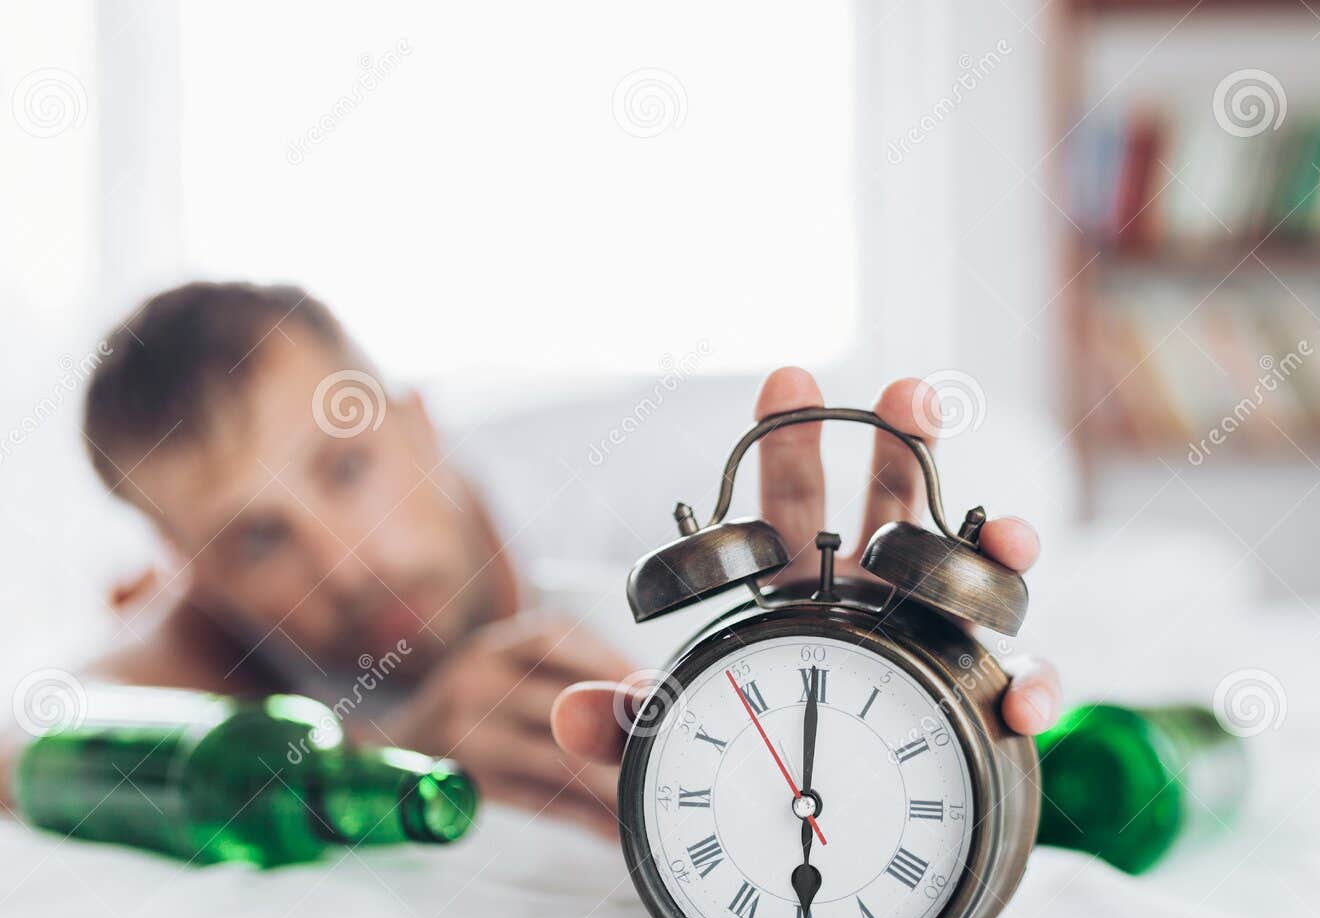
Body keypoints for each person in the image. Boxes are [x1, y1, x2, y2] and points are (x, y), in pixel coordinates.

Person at [1, 282, 1062, 834]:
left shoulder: (644, 471)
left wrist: (835, 632)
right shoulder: (206, 624)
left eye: (347, 467)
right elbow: (18, 737)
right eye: (258, 537)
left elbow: (1018, 452)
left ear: (419, 421)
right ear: (192, 566)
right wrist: (385, 744)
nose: (345, 565)